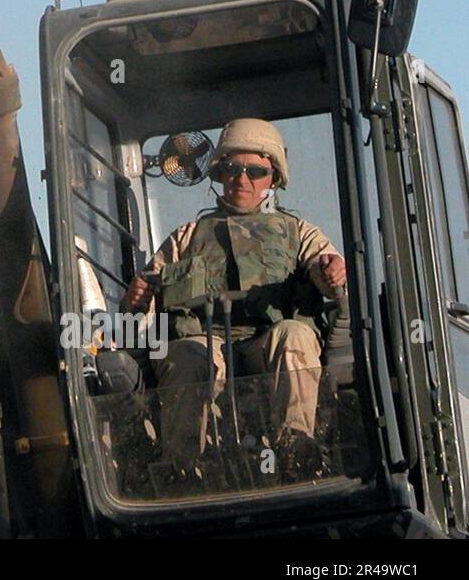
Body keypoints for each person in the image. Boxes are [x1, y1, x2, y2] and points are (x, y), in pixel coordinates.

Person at [123, 118, 347, 475]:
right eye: (232, 168)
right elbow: (141, 304)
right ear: (219, 174)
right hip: (207, 345)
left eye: (255, 171)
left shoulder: (299, 232)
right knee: (185, 354)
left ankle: (295, 449)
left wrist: (332, 273)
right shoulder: (188, 236)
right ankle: (183, 469)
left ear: (272, 178)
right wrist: (136, 298)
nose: (242, 178)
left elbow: (335, 279)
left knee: (295, 335)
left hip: (268, 345)